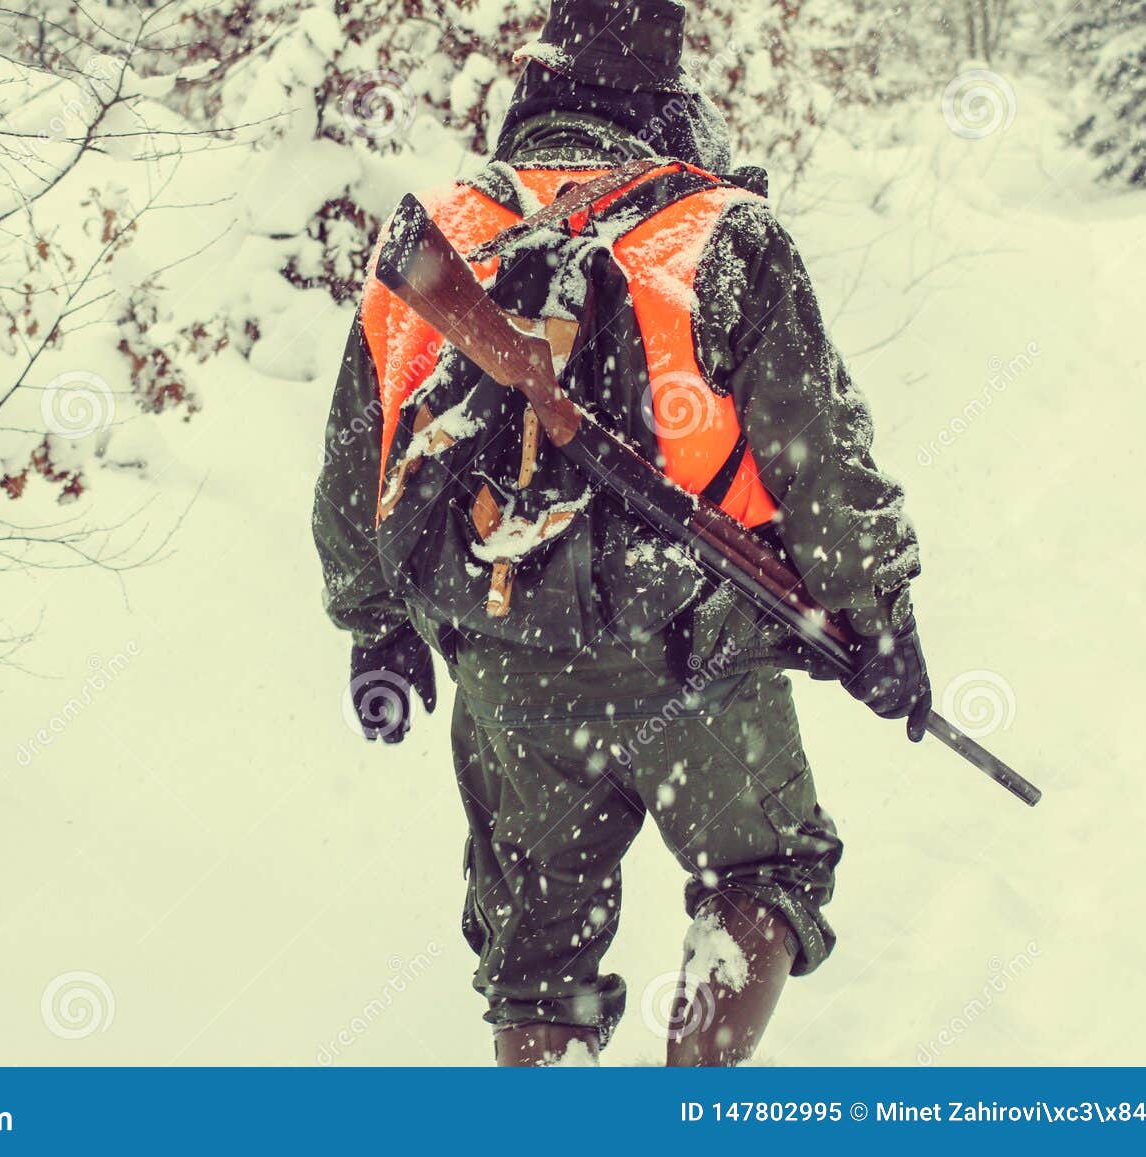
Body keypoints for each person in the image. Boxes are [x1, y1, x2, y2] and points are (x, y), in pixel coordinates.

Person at [312, 0, 930, 1067]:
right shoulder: (721, 233)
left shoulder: (441, 234)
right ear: (665, 102)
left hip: (507, 666)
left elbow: (352, 467)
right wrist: (880, 619)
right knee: (764, 873)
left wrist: (377, 625)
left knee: (536, 964)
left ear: (536, 90)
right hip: (691, 658)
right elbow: (821, 462)